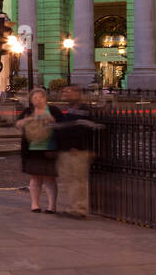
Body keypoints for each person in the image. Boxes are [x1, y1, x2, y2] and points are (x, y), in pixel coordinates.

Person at [54, 85, 99, 218]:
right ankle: (72, 207)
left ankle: (80, 209)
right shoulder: (69, 109)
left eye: (68, 91)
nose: (65, 93)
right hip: (66, 150)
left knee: (78, 180)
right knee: (68, 180)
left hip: (78, 151)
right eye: (64, 91)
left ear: (77, 93)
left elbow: (85, 131)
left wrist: (78, 146)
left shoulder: (84, 110)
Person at [15, 87, 60, 213]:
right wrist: (29, 119)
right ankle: (35, 204)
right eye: (35, 98)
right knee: (35, 178)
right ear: (31, 100)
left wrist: (51, 120)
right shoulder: (29, 111)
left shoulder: (52, 110)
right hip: (33, 149)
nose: (38, 100)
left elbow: (61, 125)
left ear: (45, 98)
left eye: (40, 97)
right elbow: (18, 124)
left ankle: (52, 206)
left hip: (50, 148)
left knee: (50, 178)